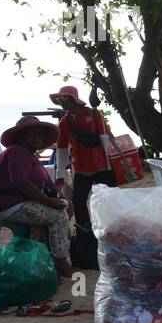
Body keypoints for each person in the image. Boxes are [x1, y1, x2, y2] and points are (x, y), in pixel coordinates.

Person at [0, 115, 73, 275]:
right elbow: (21, 183)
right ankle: (61, 262)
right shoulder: (17, 152)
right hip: (9, 206)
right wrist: (50, 202)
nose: (37, 137)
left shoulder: (28, 155)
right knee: (58, 216)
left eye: (39, 134)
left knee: (57, 210)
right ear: (21, 136)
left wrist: (64, 198)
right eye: (31, 134)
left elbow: (49, 184)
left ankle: (44, 259)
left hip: (19, 204)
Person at [50, 84, 114, 233]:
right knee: (79, 200)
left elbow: (105, 137)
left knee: (112, 196)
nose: (62, 102)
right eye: (60, 99)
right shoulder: (64, 123)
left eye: (65, 98)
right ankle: (84, 230)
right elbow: (62, 148)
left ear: (73, 99)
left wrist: (110, 161)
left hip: (102, 164)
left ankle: (114, 224)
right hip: (81, 167)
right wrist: (60, 174)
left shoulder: (94, 114)